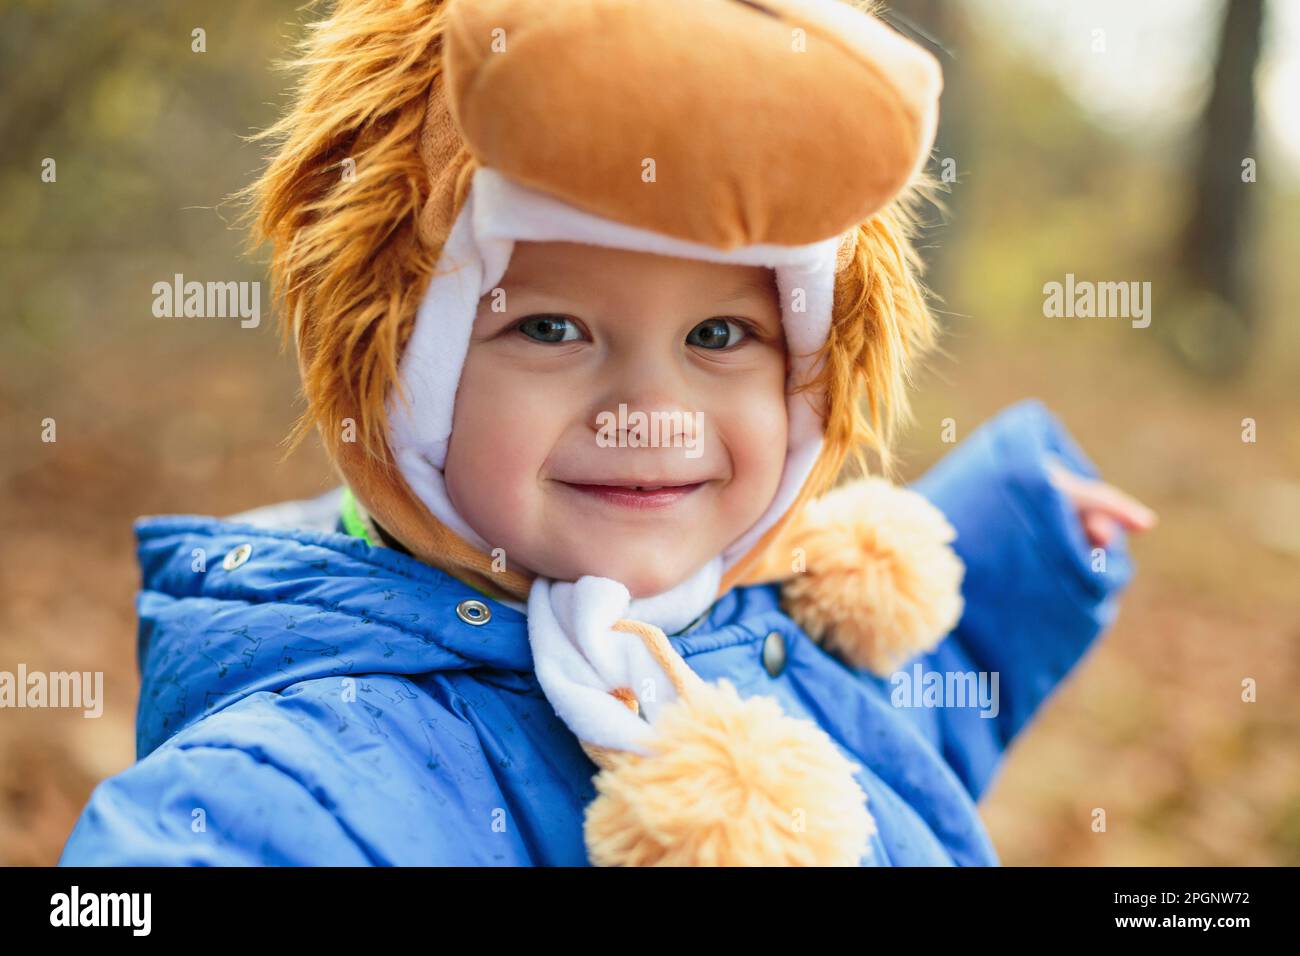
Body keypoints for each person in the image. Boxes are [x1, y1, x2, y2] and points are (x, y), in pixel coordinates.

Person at [59, 0, 1155, 866]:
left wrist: (1022, 545)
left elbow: (898, 731)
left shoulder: (779, 618)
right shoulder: (326, 759)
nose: (652, 410)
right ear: (400, 368)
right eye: (550, 326)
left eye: (719, 331)